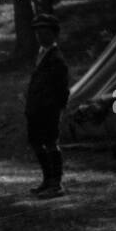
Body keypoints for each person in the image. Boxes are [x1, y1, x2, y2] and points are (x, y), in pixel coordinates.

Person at [25, 12, 70, 198]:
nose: (40, 36)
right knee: (36, 143)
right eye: (37, 32)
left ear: (54, 34)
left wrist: (57, 109)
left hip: (49, 109)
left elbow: (62, 89)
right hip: (35, 108)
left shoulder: (56, 58)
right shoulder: (41, 54)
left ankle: (56, 184)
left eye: (45, 32)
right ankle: (47, 180)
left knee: (51, 143)